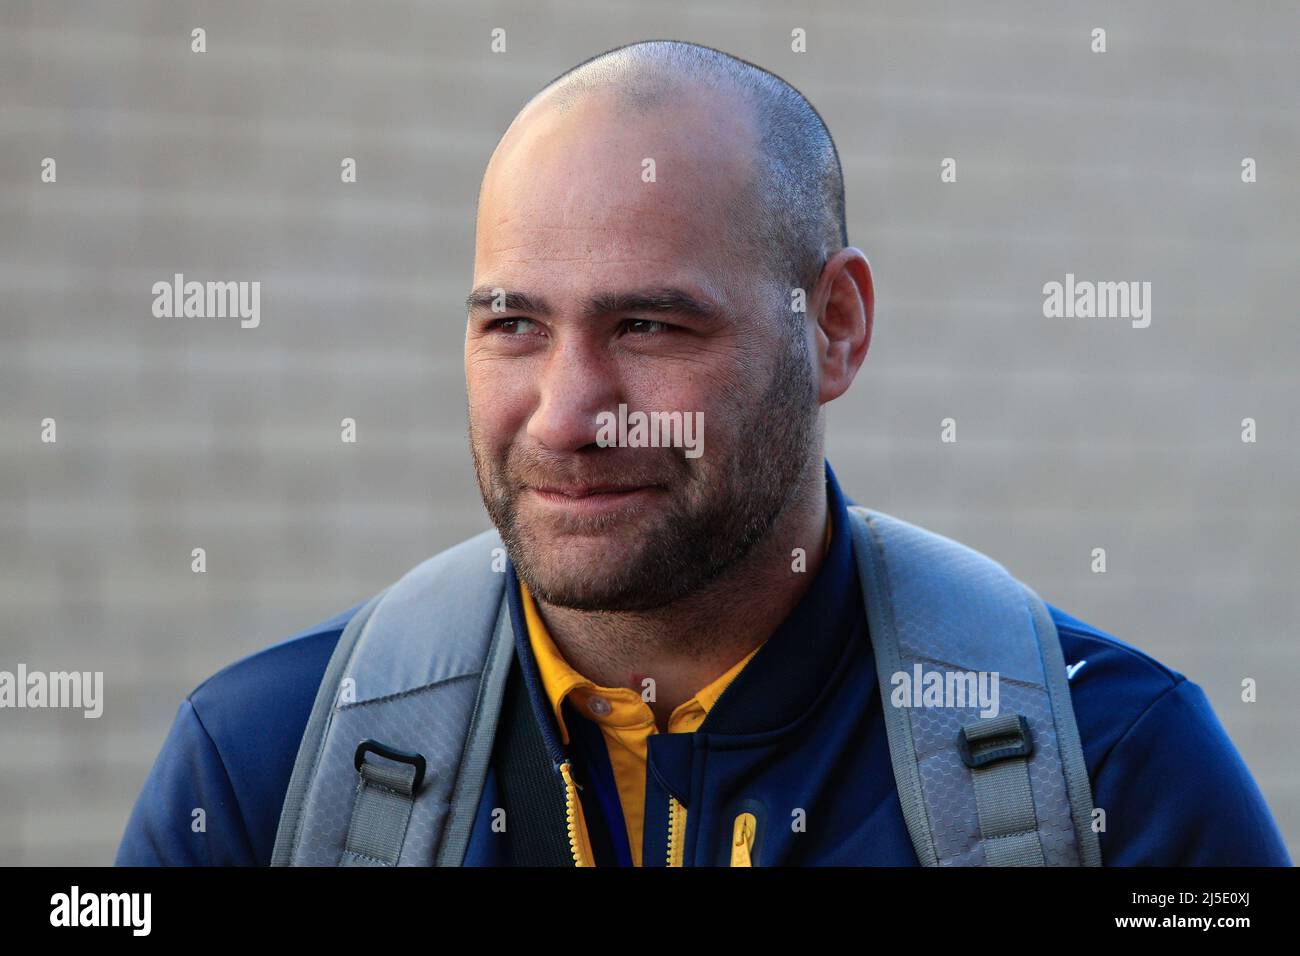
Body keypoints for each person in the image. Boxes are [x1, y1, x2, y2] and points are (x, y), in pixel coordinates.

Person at [115, 39, 1291, 867]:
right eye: (512, 323)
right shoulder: (266, 771)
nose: (570, 412)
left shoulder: (1108, 773)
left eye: (648, 325)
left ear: (833, 326)